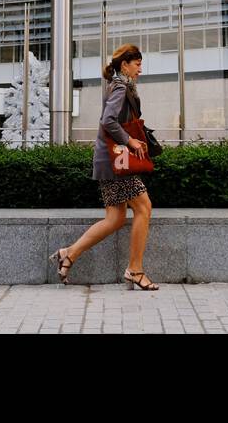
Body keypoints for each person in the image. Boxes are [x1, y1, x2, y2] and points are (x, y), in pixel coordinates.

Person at [49, 43, 158, 290]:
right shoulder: (120, 87)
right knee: (144, 207)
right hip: (117, 160)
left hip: (109, 160)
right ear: (125, 65)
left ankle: (69, 253)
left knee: (115, 218)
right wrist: (130, 140)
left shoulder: (120, 86)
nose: (140, 69)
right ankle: (135, 270)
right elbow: (108, 120)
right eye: (137, 64)